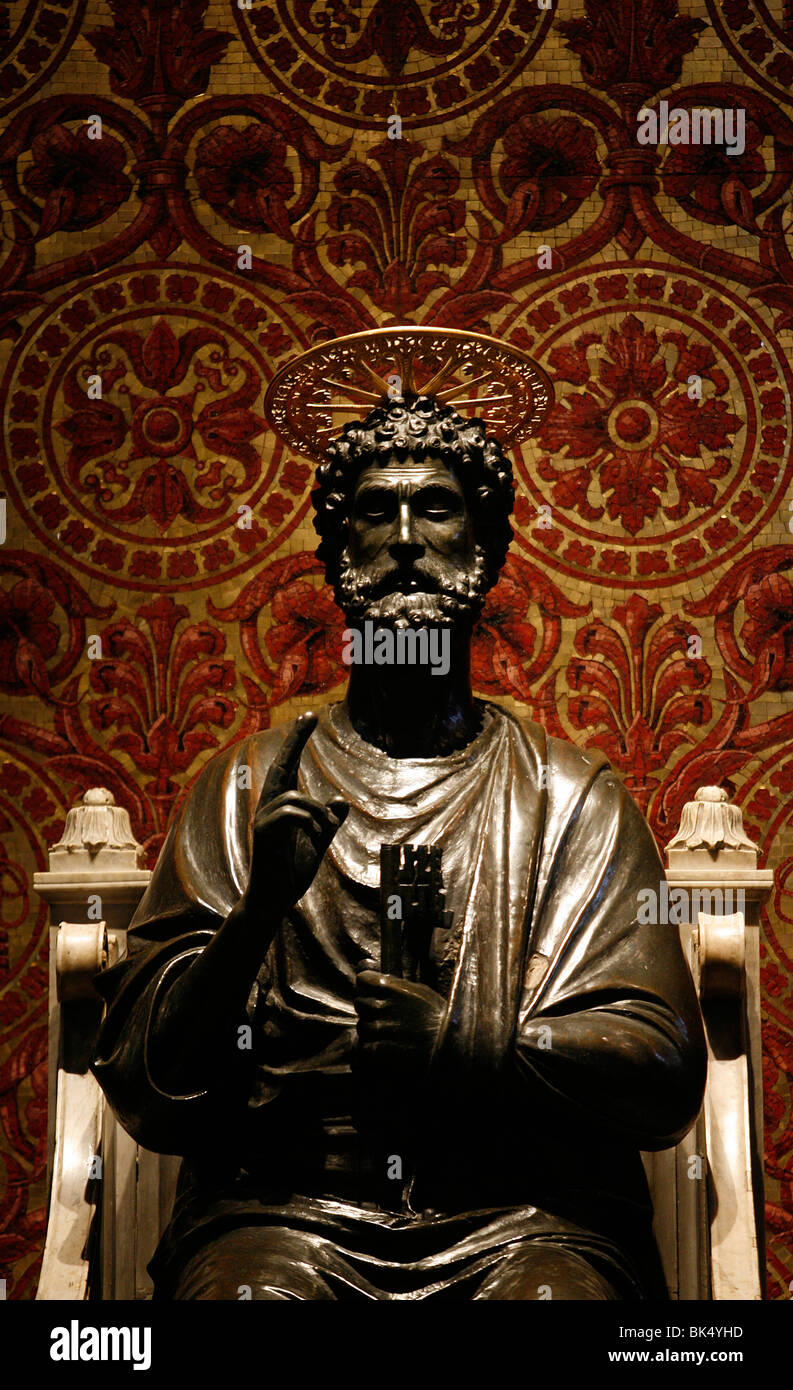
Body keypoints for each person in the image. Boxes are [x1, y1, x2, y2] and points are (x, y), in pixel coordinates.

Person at [93, 392, 707, 1300]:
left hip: (522, 1215)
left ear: (486, 548)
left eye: (438, 506)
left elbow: (660, 1070)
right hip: (286, 1212)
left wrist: (463, 1044)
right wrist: (260, 910)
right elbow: (151, 1085)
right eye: (375, 510)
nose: (407, 538)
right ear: (338, 556)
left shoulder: (571, 798)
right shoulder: (244, 788)